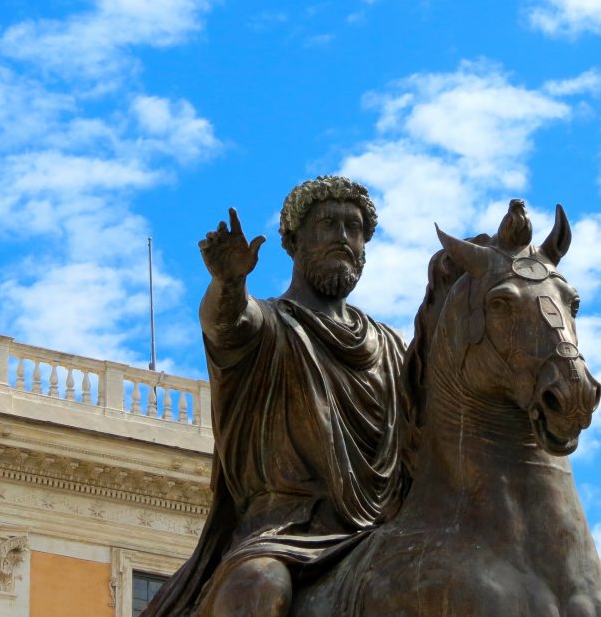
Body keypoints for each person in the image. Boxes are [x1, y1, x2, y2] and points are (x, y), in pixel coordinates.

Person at [144, 176, 407, 616]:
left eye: (354, 227)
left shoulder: (391, 348)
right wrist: (229, 284)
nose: (343, 237)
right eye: (327, 225)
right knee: (260, 585)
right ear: (292, 240)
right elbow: (227, 325)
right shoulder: (271, 326)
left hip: (381, 530)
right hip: (284, 529)